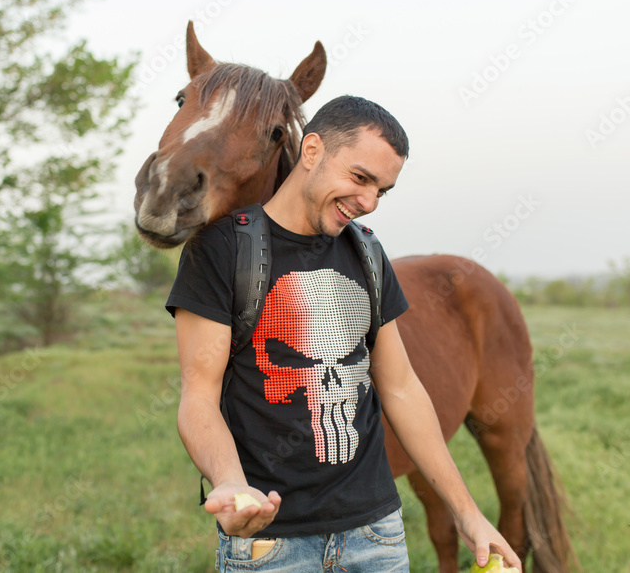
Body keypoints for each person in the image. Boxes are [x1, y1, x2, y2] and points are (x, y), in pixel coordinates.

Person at [165, 95, 522, 572]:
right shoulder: (221, 251)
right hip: (271, 546)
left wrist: (468, 512)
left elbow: (401, 388)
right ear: (311, 150)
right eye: (360, 178)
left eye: (383, 190)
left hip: (377, 535)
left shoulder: (367, 255)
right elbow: (199, 397)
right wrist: (230, 482)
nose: (369, 203)